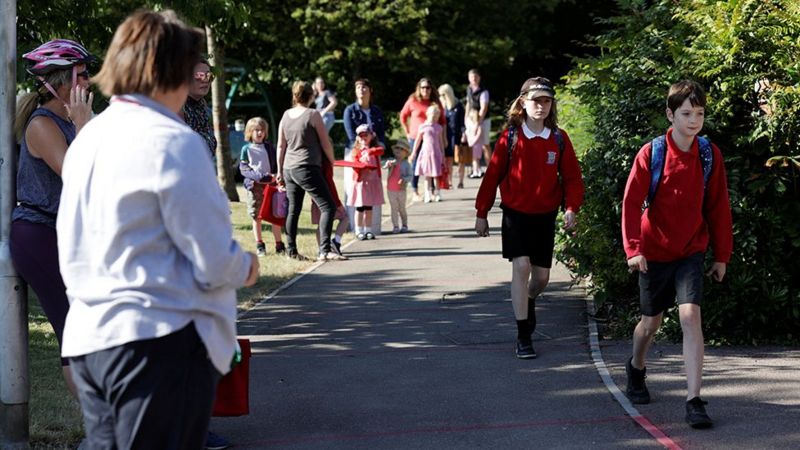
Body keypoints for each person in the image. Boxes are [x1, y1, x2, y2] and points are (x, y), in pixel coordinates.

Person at [56, 10, 259, 449]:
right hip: (157, 339)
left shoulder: (88, 138)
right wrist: (246, 266)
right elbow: (212, 258)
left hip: (91, 337)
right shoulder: (174, 141)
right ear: (173, 70)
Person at [621, 80, 732, 429]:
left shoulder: (709, 155)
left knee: (690, 316)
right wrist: (634, 249)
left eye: (699, 113)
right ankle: (636, 367)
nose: (694, 120)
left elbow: (718, 207)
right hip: (653, 252)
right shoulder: (652, 153)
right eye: (686, 113)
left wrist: (722, 254)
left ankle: (694, 400)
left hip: (690, 251)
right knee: (650, 324)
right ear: (670, 115)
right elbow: (630, 203)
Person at [475, 77, 584, 360]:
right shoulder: (510, 137)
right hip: (515, 214)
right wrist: (482, 212)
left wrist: (571, 208)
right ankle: (523, 335)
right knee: (521, 266)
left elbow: (572, 178)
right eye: (536, 101)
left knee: (542, 278)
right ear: (523, 102)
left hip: (545, 216)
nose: (541, 106)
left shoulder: (559, 138)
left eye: (546, 101)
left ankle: (529, 299)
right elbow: (492, 175)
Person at [11, 38, 94, 402]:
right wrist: (84, 126)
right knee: (75, 329)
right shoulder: (43, 124)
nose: (89, 82)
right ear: (60, 83)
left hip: (67, 234)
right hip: (39, 236)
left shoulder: (72, 121)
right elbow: (77, 175)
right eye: (82, 75)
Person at [277, 80, 346, 261]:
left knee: (293, 210)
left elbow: (280, 146)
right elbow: (325, 142)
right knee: (328, 207)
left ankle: (291, 251)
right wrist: (332, 161)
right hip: (307, 166)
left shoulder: (286, 115)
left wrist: (279, 171)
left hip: (289, 168)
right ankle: (324, 250)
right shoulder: (313, 115)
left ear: (294, 96)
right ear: (312, 96)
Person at [342, 78, 387, 233]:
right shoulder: (350, 111)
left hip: (373, 154)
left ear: (370, 90)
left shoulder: (376, 111)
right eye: (358, 87)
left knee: (373, 190)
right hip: (355, 154)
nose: (361, 90)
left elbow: (381, 133)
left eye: (364, 87)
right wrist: (361, 150)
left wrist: (380, 146)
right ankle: (355, 227)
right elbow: (351, 135)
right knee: (355, 190)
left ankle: (372, 228)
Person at [239, 117, 285, 256]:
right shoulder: (246, 149)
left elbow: (276, 165)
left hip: (271, 187)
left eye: (262, 130)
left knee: (275, 215)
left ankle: (279, 244)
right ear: (249, 132)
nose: (259, 133)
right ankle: (260, 244)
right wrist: (260, 177)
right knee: (257, 216)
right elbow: (244, 169)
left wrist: (277, 178)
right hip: (255, 187)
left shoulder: (269, 148)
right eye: (256, 130)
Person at [399, 78, 447, 198]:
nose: (425, 90)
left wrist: (444, 137)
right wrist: (407, 131)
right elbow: (403, 116)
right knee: (416, 163)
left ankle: (433, 190)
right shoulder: (413, 100)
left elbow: (443, 121)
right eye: (423, 87)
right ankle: (415, 189)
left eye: (428, 87)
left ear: (431, 89)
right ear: (419, 89)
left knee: (433, 163)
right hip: (415, 137)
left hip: (432, 138)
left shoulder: (435, 102)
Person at [346, 124, 384, 240]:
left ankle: (368, 230)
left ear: (371, 136)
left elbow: (381, 150)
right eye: (361, 136)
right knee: (360, 208)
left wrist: (370, 151)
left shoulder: (375, 149)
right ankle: (359, 230)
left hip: (372, 182)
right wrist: (361, 165)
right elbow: (354, 164)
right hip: (360, 183)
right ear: (357, 138)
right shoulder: (356, 150)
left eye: (366, 135)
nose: (363, 138)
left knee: (369, 208)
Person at [310, 158, 349, 256]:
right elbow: (329, 182)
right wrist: (337, 201)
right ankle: (336, 241)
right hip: (329, 198)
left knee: (321, 224)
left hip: (316, 196)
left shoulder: (312, 161)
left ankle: (321, 249)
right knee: (345, 217)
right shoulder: (325, 163)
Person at [409, 105, 446, 203]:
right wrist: (413, 153)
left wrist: (443, 154)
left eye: (437, 115)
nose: (434, 117)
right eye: (433, 114)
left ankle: (437, 193)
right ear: (428, 114)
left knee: (436, 175)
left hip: (436, 153)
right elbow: (417, 140)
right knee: (427, 175)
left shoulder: (438, 127)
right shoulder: (423, 127)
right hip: (426, 153)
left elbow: (441, 142)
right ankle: (427, 194)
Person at [181, 58, 216, 160]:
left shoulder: (203, 106)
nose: (205, 80)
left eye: (209, 76)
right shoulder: (178, 106)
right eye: (199, 76)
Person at [383, 139, 413, 233]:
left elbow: (410, 176)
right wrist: (388, 165)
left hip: (401, 189)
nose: (398, 150)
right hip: (391, 189)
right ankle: (395, 226)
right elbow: (384, 166)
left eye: (401, 149)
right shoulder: (391, 161)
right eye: (397, 148)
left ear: (406, 153)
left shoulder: (406, 164)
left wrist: (404, 179)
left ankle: (404, 224)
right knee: (394, 208)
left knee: (401, 208)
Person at [438, 84, 465, 188]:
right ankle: (449, 181)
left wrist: (464, 133)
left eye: (443, 95)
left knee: (460, 159)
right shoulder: (442, 107)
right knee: (448, 159)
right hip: (446, 136)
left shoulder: (458, 105)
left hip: (457, 135)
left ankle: (461, 181)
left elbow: (462, 122)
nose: (441, 97)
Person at [465, 68, 491, 177]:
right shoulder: (469, 89)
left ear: (479, 78)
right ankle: (476, 169)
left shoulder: (484, 91)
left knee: (485, 144)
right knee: (474, 144)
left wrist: (478, 123)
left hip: (483, 120)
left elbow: (484, 108)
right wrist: (466, 119)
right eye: (472, 77)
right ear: (469, 78)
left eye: (476, 77)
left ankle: (490, 169)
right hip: (472, 120)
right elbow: (468, 103)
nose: (474, 79)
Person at [465, 109, 485, 179]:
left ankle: (475, 172)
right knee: (476, 159)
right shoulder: (472, 125)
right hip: (475, 144)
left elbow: (478, 135)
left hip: (475, 145)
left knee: (474, 159)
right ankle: (479, 171)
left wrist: (472, 142)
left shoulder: (478, 126)